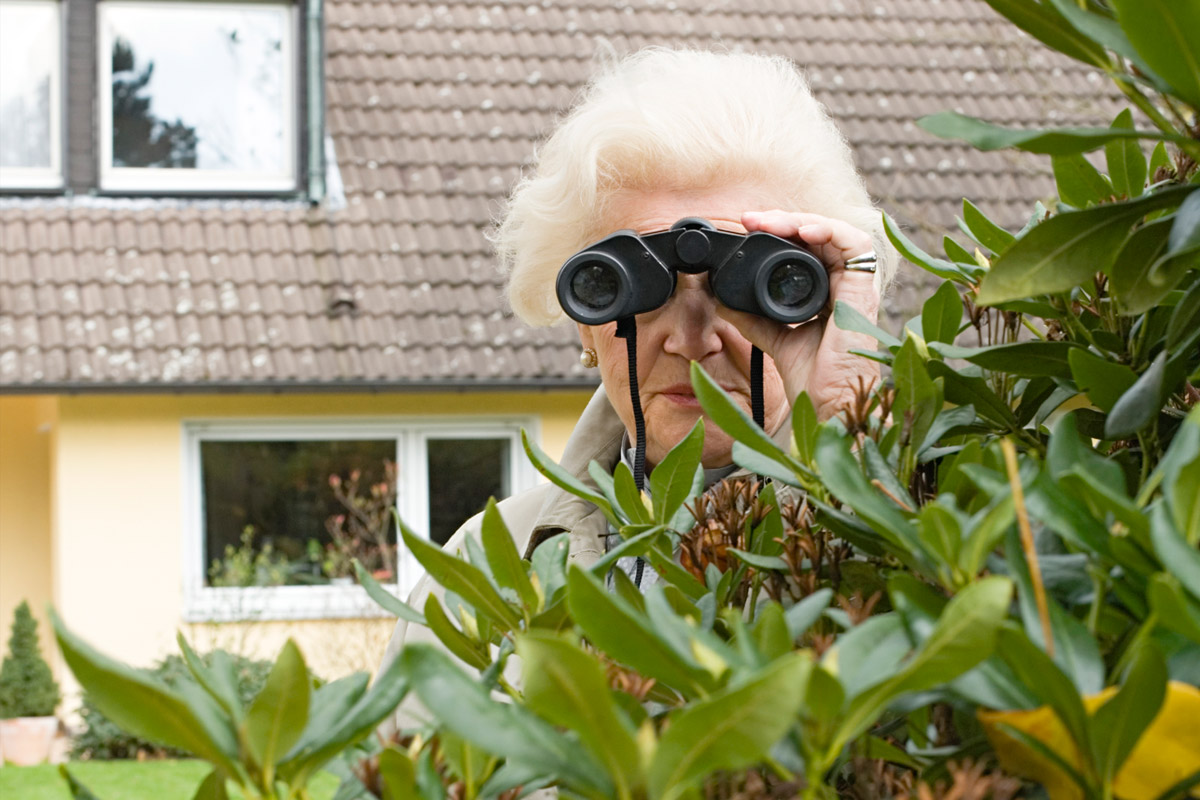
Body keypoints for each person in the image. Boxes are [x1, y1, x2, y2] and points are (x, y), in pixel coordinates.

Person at [379, 46, 895, 733]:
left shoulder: (933, 515)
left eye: (745, 285)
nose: (691, 337)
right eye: (633, 288)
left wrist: (852, 449)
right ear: (584, 324)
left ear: (813, 295)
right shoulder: (484, 568)